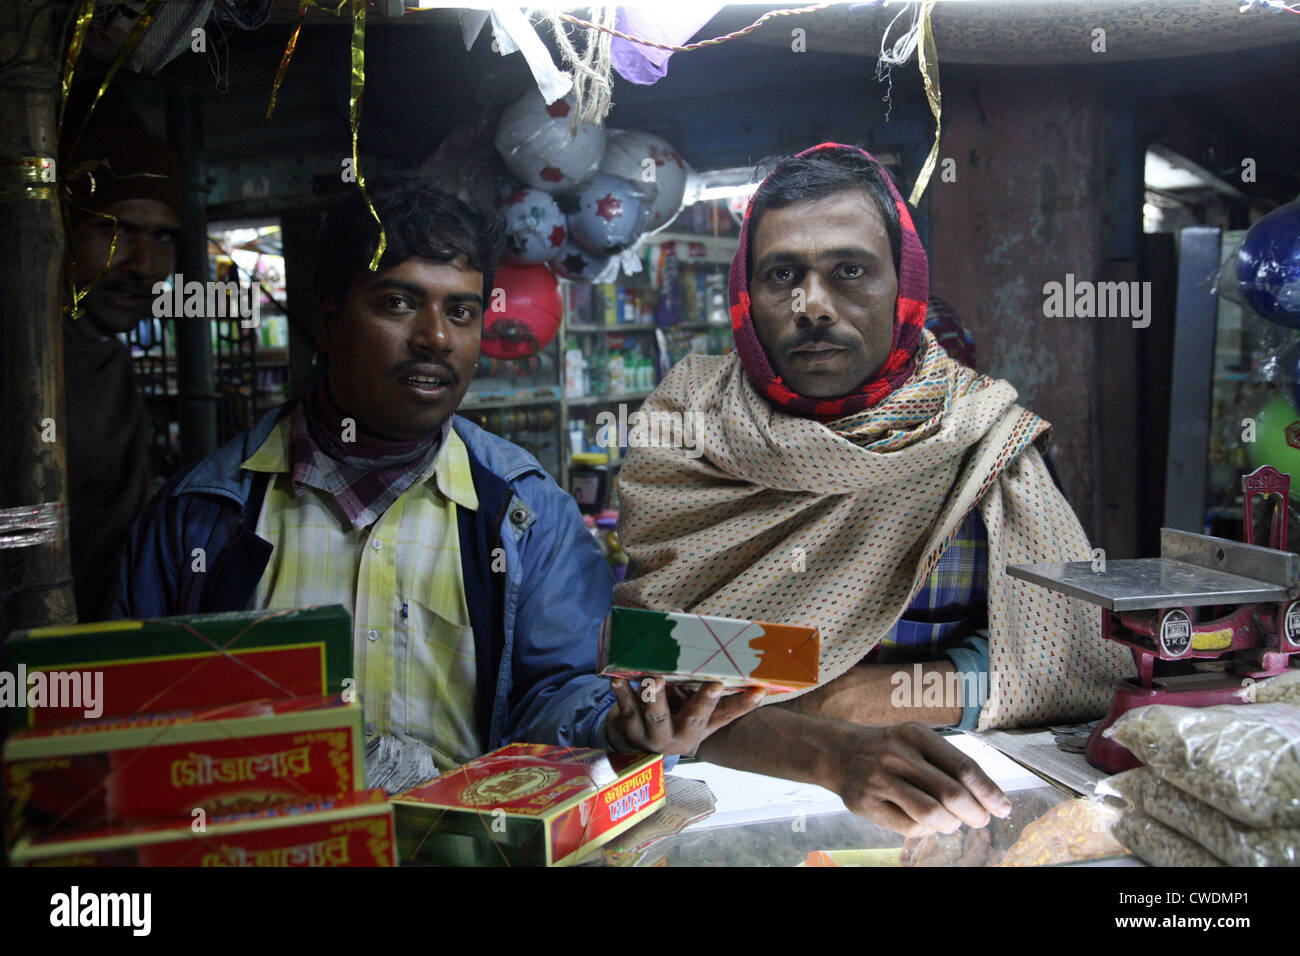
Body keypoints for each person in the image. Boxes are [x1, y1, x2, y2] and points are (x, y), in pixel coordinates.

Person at [110, 180, 758, 791]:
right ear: (330, 322)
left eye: (462, 311)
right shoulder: (204, 516)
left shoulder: (526, 514)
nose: (436, 338)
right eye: (398, 302)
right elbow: (130, 724)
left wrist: (616, 726)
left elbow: (557, 688)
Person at [613, 143, 1131, 836]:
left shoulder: (986, 443)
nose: (814, 305)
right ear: (745, 292)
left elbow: (1060, 661)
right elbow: (663, 679)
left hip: (951, 814)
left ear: (904, 283)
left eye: (850, 270)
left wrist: (869, 697)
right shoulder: (686, 427)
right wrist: (826, 744)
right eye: (782, 274)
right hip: (731, 819)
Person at [61, 86, 184, 621]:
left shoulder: (103, 358)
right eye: (114, 231)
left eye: (162, 237)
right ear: (56, 230)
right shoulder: (34, 370)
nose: (144, 263)